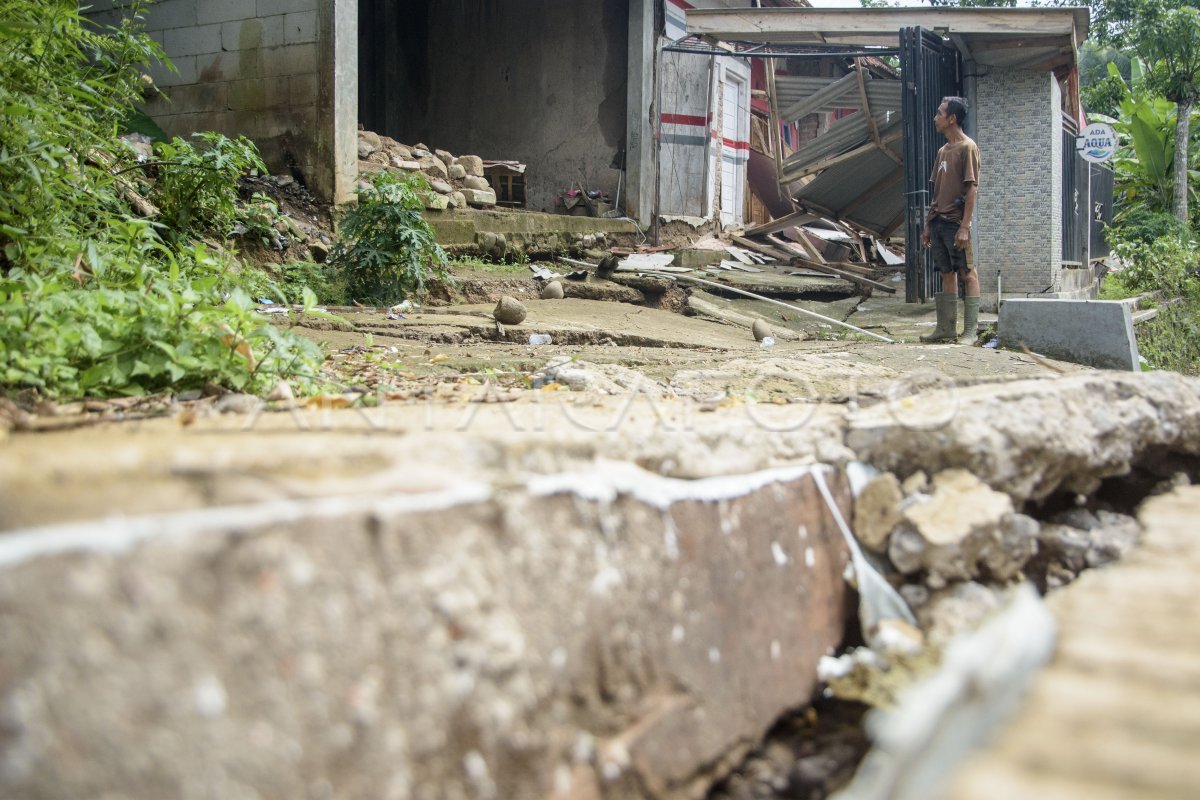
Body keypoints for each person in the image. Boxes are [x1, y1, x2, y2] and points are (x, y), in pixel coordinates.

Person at [919, 96, 981, 344]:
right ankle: (946, 329)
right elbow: (937, 191)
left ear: (952, 118)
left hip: (956, 223)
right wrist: (928, 224)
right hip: (938, 221)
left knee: (967, 272)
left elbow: (972, 189)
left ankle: (970, 331)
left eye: (939, 113)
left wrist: (965, 226)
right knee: (946, 273)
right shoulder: (942, 151)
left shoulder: (968, 148)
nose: (936, 118)